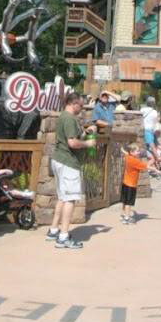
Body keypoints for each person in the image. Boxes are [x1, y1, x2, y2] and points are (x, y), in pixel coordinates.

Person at [47, 95, 92, 249]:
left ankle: (54, 230)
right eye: (81, 105)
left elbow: (71, 137)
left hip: (59, 160)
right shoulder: (70, 119)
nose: (82, 108)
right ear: (73, 104)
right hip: (68, 162)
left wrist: (85, 132)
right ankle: (63, 236)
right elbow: (72, 143)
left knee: (62, 197)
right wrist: (87, 143)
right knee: (70, 199)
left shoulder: (63, 117)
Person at [118, 141, 150, 225]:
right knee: (129, 202)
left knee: (124, 201)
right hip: (131, 185)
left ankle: (123, 215)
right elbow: (146, 166)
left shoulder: (128, 157)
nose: (139, 152)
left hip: (125, 183)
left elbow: (125, 152)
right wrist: (157, 170)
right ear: (132, 152)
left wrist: (122, 149)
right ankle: (127, 218)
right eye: (137, 151)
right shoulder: (135, 161)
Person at [139, 96, 161, 162]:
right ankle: (157, 157)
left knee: (148, 145)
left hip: (143, 128)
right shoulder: (154, 112)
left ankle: (153, 160)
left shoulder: (142, 109)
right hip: (150, 129)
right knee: (152, 144)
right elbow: (157, 120)